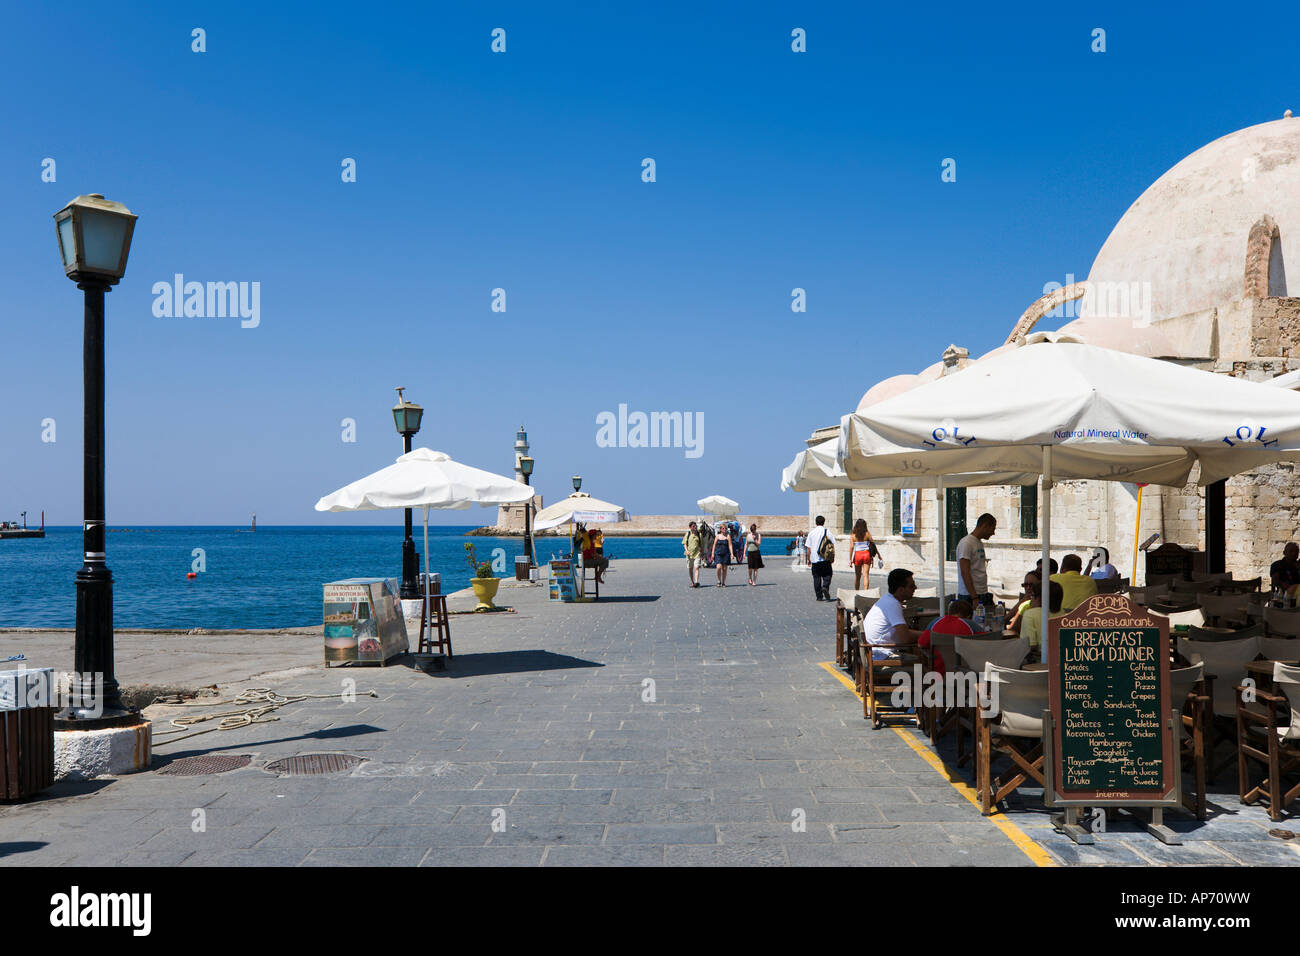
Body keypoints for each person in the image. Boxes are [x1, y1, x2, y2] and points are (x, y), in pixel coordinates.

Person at [862, 568, 925, 660]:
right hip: (881, 653)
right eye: (911, 586)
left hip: (874, 650)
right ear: (900, 590)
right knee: (925, 660)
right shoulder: (893, 604)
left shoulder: (887, 599)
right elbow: (905, 638)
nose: (915, 588)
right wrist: (928, 635)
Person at [919, 598, 986, 678]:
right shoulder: (970, 624)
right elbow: (988, 642)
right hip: (966, 673)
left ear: (949, 612)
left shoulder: (935, 622)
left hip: (939, 673)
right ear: (969, 616)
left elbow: (920, 645)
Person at [955, 513, 997, 609]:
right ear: (985, 526)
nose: (993, 533)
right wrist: (974, 597)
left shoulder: (979, 543)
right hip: (969, 596)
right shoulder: (966, 543)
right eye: (993, 529)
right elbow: (965, 572)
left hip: (981, 593)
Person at [1020, 580, 1064, 660]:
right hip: (1063, 662)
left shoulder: (1030, 614)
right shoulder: (1065, 614)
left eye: (1032, 595)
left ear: (1040, 598)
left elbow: (1029, 645)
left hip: (1039, 664)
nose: (1031, 599)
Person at [805, 515, 836, 601]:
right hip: (825, 558)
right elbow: (832, 544)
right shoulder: (827, 532)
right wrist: (832, 557)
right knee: (828, 574)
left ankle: (819, 596)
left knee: (816, 577)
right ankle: (825, 586)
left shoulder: (811, 533)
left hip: (814, 559)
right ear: (824, 522)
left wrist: (808, 559)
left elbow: (808, 548)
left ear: (816, 522)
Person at [1007, 569, 1040, 636]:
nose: (1027, 588)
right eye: (1025, 585)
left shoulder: (1026, 605)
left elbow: (1012, 629)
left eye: (1031, 585)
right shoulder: (1025, 604)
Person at [849, 518, 877, 591]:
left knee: (858, 576)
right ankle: (865, 592)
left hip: (858, 555)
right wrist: (879, 556)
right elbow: (873, 545)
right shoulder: (867, 534)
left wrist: (850, 559)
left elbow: (852, 547)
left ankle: (857, 592)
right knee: (866, 575)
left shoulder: (853, 535)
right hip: (867, 554)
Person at [711, 522, 737, 587]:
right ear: (720, 529)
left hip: (726, 554)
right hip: (718, 554)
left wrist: (732, 554)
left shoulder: (728, 536)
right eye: (723, 528)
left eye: (725, 528)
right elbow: (714, 545)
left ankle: (723, 582)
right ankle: (719, 580)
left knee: (725, 569)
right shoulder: (717, 536)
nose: (724, 529)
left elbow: (730, 545)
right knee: (718, 567)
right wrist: (712, 553)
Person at [683, 521, 703, 588]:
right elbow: (684, 543)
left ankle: (696, 582)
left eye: (696, 526)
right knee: (690, 568)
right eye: (693, 526)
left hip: (697, 554)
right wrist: (687, 551)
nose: (695, 527)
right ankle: (692, 582)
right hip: (689, 554)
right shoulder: (688, 534)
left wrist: (702, 552)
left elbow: (701, 544)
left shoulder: (699, 534)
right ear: (690, 527)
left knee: (697, 567)